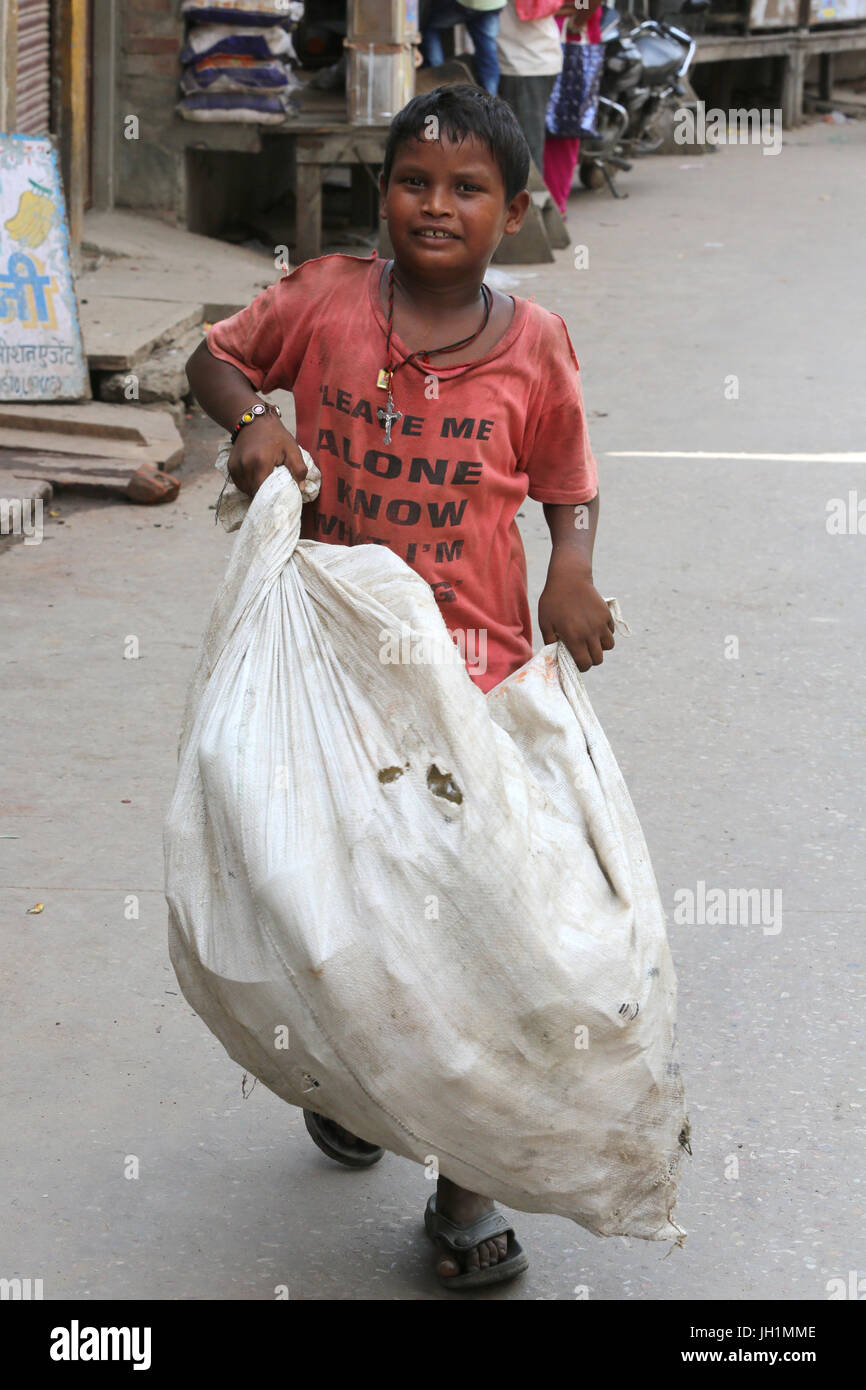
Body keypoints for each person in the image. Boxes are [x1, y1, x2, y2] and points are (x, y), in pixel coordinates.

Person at [186, 83, 615, 1291]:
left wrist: (570, 568)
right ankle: (358, 1086)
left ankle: (464, 1190)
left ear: (513, 213)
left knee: (489, 927)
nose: (437, 204)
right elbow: (214, 358)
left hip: (468, 682)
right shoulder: (324, 301)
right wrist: (252, 426)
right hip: (327, 676)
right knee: (342, 906)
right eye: (414, 181)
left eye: (467, 187)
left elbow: (567, 480)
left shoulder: (533, 344)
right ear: (380, 196)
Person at [543, 0, 604, 215]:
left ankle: (555, 205)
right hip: (545, 44)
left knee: (563, 128)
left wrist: (575, 20)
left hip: (570, 43)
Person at [496, 0, 563, 174]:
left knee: (525, 146)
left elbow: (586, 3)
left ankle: (532, 198)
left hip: (525, 64)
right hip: (534, 60)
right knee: (524, 142)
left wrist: (578, 22)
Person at [421, 0, 507, 94]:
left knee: (427, 25)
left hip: (468, 3)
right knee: (487, 55)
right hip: (493, 4)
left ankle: (436, 75)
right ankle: (490, 100)